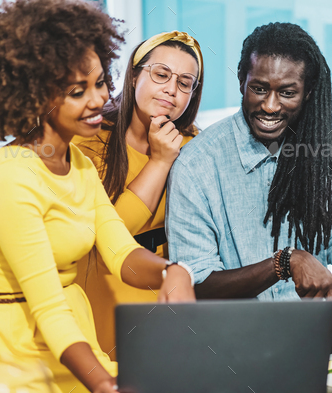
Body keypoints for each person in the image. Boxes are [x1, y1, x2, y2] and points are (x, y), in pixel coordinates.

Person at [0, 1, 195, 392]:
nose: (97, 100)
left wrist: (172, 271)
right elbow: (48, 307)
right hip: (22, 358)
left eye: (100, 83)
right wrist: (104, 384)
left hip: (77, 339)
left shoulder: (79, 165)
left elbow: (120, 252)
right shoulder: (9, 177)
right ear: (34, 95)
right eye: (76, 91)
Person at [166, 22, 332, 361]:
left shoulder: (319, 153)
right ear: (241, 82)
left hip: (321, 336)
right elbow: (198, 284)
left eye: (287, 92)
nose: (271, 106)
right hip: (240, 347)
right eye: (259, 89)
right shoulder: (197, 164)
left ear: (307, 92)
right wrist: (284, 263)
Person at [73, 30, 203, 356]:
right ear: (133, 75)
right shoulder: (90, 139)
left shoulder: (193, 144)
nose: (171, 90)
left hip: (170, 287)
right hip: (107, 286)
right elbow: (110, 236)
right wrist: (159, 161)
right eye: (161, 75)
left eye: (185, 83)